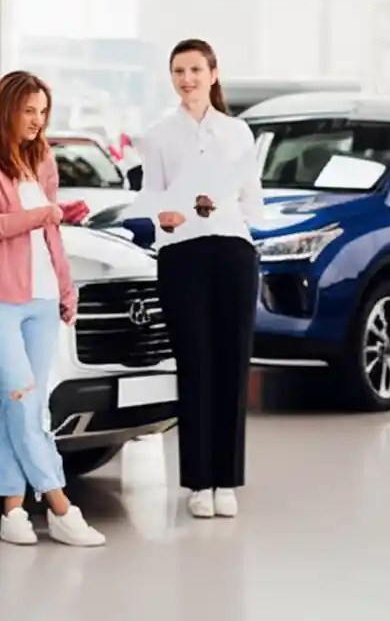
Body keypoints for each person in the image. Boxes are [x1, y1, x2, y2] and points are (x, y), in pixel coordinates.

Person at [0, 70, 100, 547]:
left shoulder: (43, 159)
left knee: (25, 407)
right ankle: (60, 505)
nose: (37, 121)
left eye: (43, 112)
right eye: (28, 110)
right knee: (20, 399)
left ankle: (13, 513)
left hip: (40, 297)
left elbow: (51, 232)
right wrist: (44, 214)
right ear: (6, 109)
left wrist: (65, 285)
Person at [131, 38, 264, 519]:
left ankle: (225, 480)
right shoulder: (159, 134)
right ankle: (197, 482)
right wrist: (164, 216)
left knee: (231, 365)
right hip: (181, 253)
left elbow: (253, 200)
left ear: (213, 73)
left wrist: (224, 207)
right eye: (178, 71)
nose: (186, 79)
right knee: (195, 364)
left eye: (194, 70)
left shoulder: (238, 132)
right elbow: (150, 197)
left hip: (232, 250)